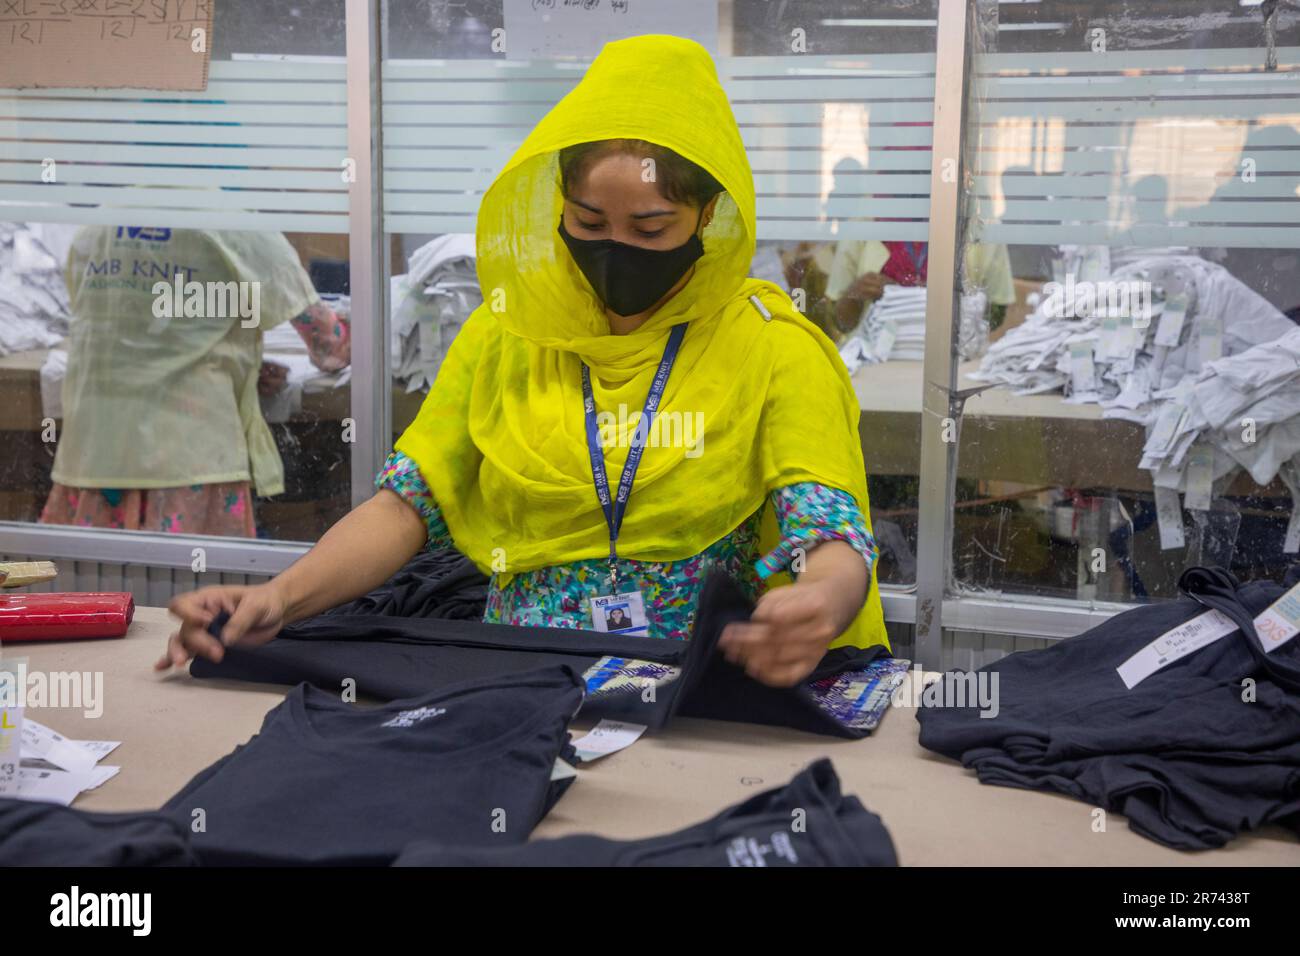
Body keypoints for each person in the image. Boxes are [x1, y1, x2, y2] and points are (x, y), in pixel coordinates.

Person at [160, 35, 887, 688]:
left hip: (686, 692)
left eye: (651, 226)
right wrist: (279, 598)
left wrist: (818, 597)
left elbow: (827, 531)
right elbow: (411, 503)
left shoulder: (768, 345)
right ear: (558, 207)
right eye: (589, 222)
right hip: (509, 678)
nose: (616, 247)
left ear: (708, 215)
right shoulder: (512, 332)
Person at [41, 227, 349, 536]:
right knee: (194, 581)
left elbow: (129, 333)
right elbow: (329, 348)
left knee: (99, 579)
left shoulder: (96, 231)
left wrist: (236, 359)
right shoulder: (236, 228)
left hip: (96, 458)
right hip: (189, 464)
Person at [825, 238, 1016, 334]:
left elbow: (995, 316)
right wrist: (856, 293)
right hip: (876, 364)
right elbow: (839, 323)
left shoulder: (979, 222)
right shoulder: (866, 220)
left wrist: (964, 300)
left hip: (954, 366)